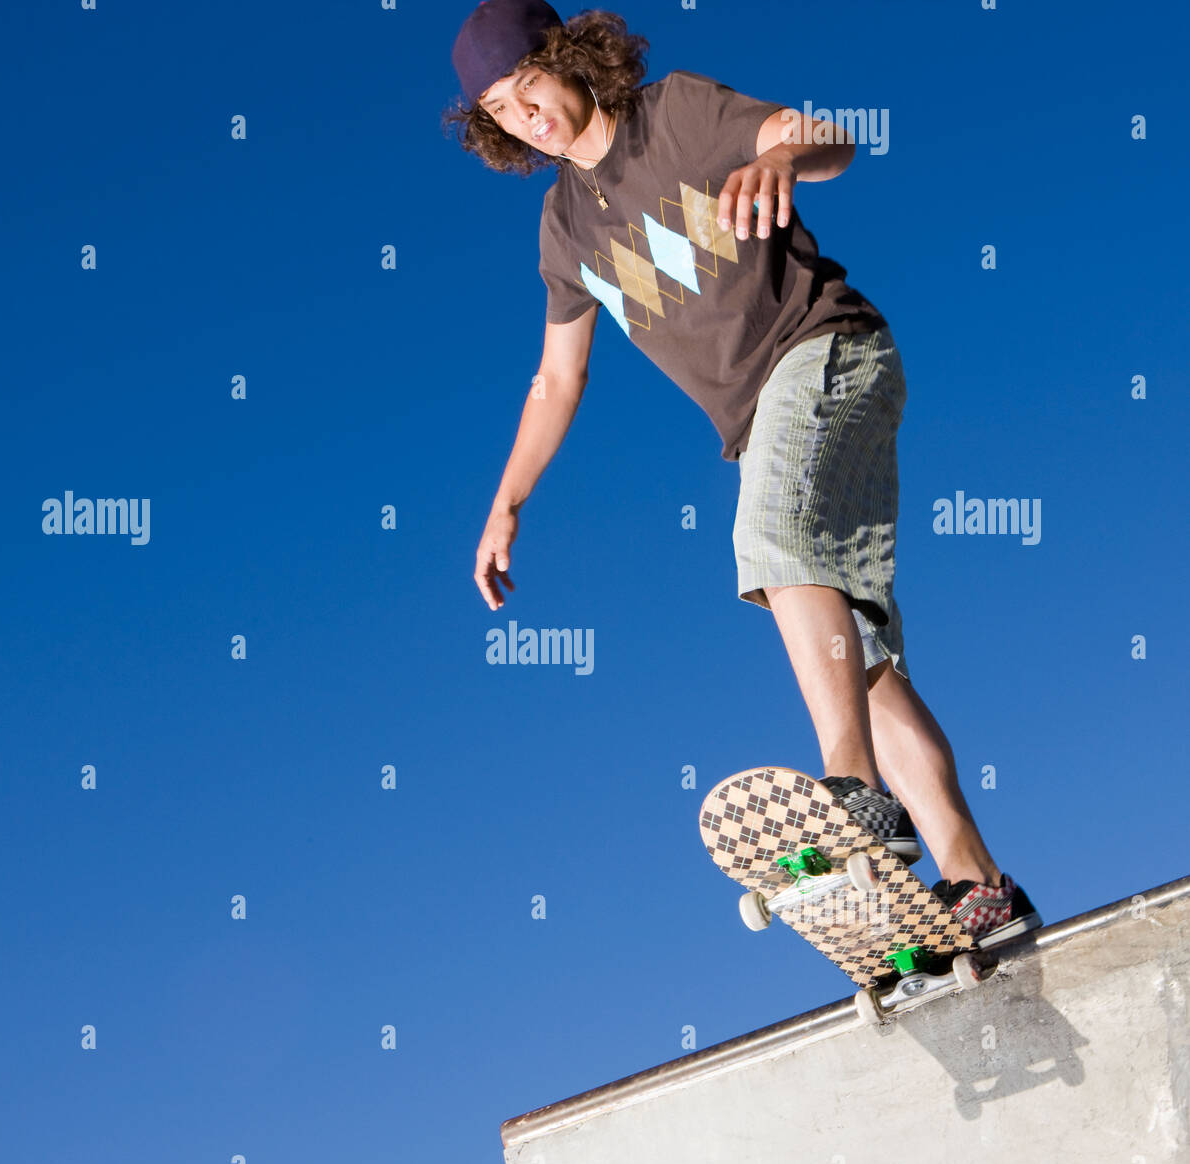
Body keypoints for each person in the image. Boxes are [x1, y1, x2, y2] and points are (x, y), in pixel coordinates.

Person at [445, 1, 1040, 939]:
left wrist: (772, 159)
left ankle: (852, 791)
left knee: (772, 537)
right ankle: (980, 885)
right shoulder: (564, 232)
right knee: (863, 662)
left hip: (827, 351)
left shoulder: (672, 114)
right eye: (503, 109)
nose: (529, 116)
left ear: (568, 63)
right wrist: (505, 503)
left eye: (531, 87)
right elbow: (557, 379)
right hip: (759, 421)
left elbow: (828, 138)